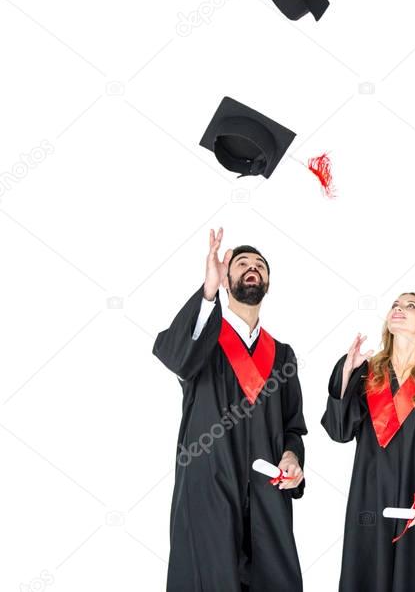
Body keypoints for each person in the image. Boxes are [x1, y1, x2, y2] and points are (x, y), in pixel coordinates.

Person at [153, 228, 307, 591]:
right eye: (241, 263)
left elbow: (293, 427)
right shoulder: (205, 339)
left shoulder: (282, 354)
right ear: (227, 279)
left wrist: (291, 458)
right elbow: (176, 358)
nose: (252, 267)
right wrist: (207, 292)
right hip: (210, 489)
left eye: (259, 265)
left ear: (268, 282)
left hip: (267, 494)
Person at [321, 293, 415, 592]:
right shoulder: (369, 374)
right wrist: (347, 371)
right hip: (369, 505)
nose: (399, 309)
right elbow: (339, 431)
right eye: (395, 305)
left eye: (410, 306)